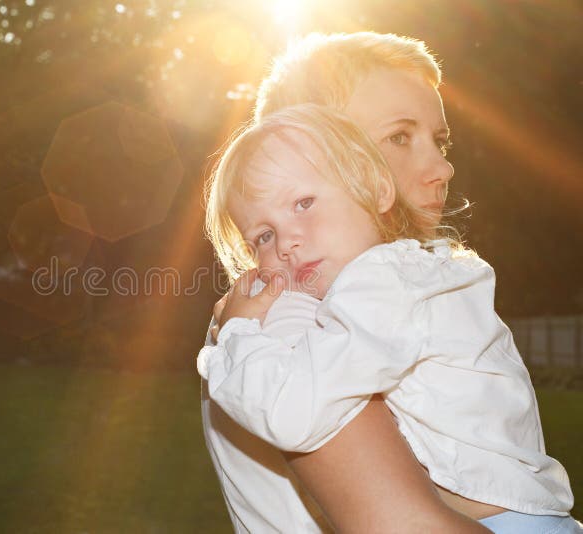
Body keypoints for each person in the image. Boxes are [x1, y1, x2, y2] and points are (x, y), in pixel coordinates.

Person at [198, 103, 580, 533]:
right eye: (263, 236)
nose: (287, 241)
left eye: (304, 203)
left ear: (378, 190)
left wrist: (237, 333)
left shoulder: (381, 283)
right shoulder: (411, 276)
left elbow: (292, 415)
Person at [200, 31, 489, 533]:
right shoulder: (290, 320)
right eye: (399, 136)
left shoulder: (358, 291)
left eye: (438, 141)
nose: (442, 167)